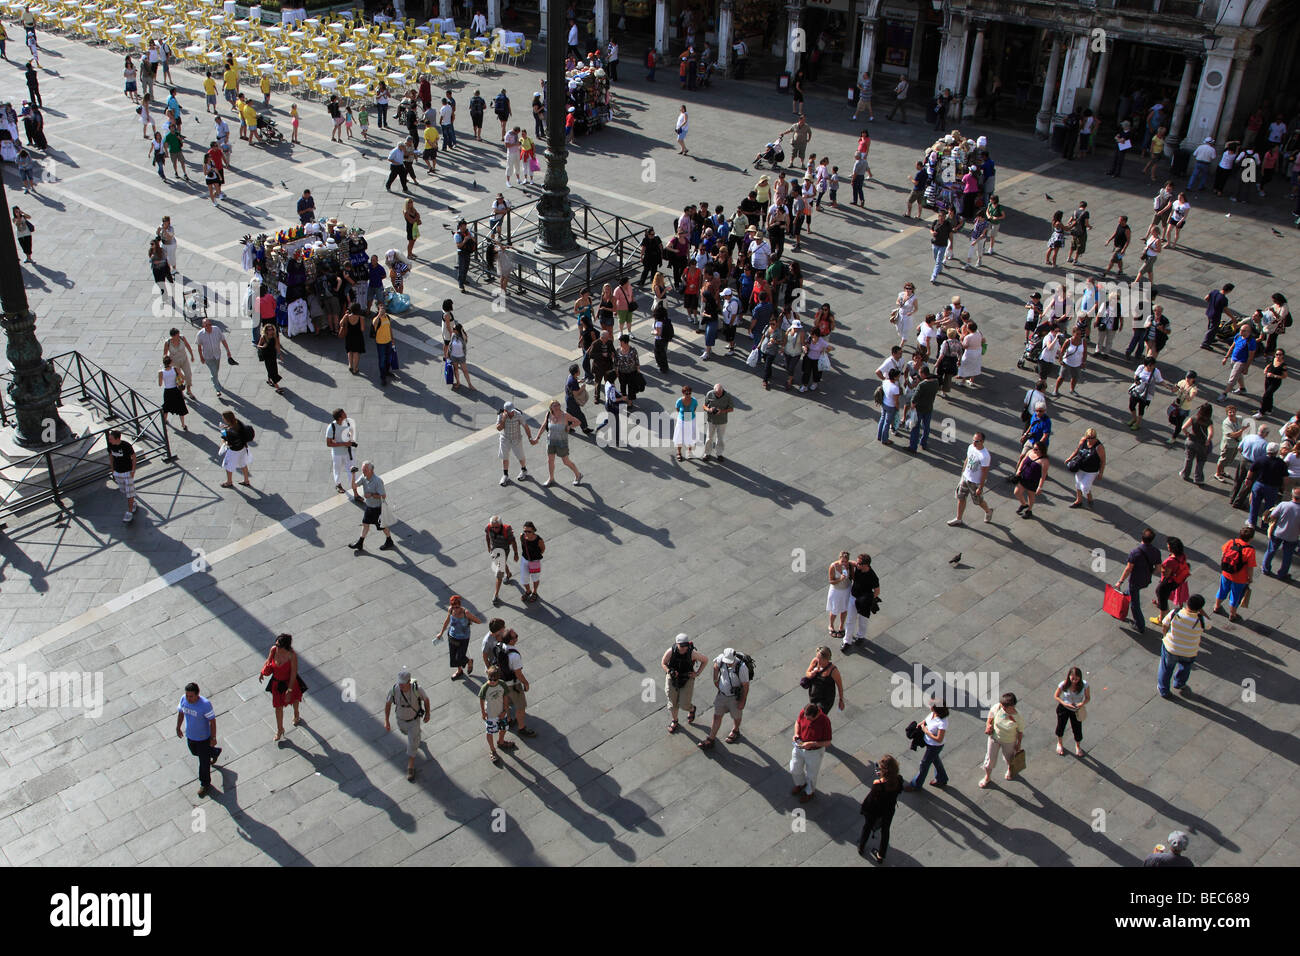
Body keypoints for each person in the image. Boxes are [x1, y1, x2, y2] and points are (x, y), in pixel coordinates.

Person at [176, 682, 222, 797]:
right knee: (194, 752)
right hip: (190, 736)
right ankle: (214, 751)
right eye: (187, 695)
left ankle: (205, 784)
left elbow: (212, 722)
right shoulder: (183, 700)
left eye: (191, 696)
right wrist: (178, 727)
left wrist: (213, 737)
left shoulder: (205, 705)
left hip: (203, 738)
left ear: (197, 694)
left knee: (203, 762)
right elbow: (181, 713)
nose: (188, 698)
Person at [384, 667, 430, 780]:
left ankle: (410, 767)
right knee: (406, 733)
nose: (401, 686)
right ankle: (416, 736)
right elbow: (388, 704)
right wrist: (387, 720)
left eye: (403, 684)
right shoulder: (395, 689)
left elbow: (426, 699)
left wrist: (428, 713)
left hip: (413, 720)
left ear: (409, 682)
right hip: (401, 720)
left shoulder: (417, 689)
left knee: (412, 743)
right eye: (400, 683)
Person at [698, 648, 750, 749]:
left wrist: (742, 701)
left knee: (736, 716)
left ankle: (735, 730)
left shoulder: (742, 667)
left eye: (730, 662)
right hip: (722, 695)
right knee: (717, 716)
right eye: (727, 662)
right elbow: (715, 667)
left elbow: (746, 686)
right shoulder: (721, 659)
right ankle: (711, 739)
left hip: (735, 697)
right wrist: (715, 680)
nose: (728, 664)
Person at [1157, 596, 1208, 699]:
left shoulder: (1175, 613)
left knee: (1166, 669)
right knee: (1185, 667)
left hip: (1171, 648)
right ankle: (1179, 683)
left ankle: (1164, 690)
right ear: (1200, 608)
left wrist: (1165, 636)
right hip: (1189, 651)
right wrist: (1201, 612)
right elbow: (1210, 624)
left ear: (1187, 602)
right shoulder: (1201, 620)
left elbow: (1164, 624)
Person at [258, 634, 304, 742]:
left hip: (289, 683)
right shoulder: (274, 650)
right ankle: (280, 729)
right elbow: (268, 661)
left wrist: (290, 690)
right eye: (276, 644)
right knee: (278, 707)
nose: (276, 646)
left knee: (295, 700)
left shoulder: (292, 656)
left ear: (285, 646)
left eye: (279, 645)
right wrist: (262, 672)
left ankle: (296, 714)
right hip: (277, 684)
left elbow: (293, 674)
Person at [1115, 527, 1161, 634]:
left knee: (1135, 604)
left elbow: (1128, 569)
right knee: (1130, 592)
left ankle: (1140, 625)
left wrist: (1120, 581)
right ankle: (1122, 601)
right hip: (1146, 580)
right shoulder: (1156, 551)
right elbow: (1158, 568)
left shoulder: (1135, 552)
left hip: (1135, 580)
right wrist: (1150, 572)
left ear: (1142, 537)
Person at [857, 755, 903, 863]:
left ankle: (861, 847)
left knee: (867, 828)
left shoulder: (878, 784)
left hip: (875, 811)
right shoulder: (899, 779)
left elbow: (872, 797)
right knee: (885, 831)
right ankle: (881, 855)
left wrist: (879, 778)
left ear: (884, 771)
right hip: (889, 810)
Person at [493, 628, 536, 737]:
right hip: (513, 684)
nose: (517, 636)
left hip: (502, 682)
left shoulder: (499, 646)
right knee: (521, 706)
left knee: (506, 702)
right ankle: (521, 728)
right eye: (515, 636)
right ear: (511, 641)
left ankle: (508, 719)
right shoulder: (514, 655)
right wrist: (526, 683)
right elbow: (518, 674)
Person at [788, 703, 832, 804]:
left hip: (814, 752)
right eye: (806, 717)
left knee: (812, 774)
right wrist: (796, 734)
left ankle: (809, 792)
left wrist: (812, 743)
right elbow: (797, 723)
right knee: (794, 768)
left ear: (816, 715)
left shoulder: (824, 721)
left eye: (810, 719)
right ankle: (801, 783)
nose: (807, 720)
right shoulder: (804, 712)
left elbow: (828, 742)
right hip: (799, 747)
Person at [662, 633, 706, 733]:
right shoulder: (670, 651)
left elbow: (705, 660)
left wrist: (697, 673)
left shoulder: (692, 653)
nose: (683, 648)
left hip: (687, 678)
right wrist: (670, 671)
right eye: (681, 646)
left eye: (685, 645)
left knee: (684, 704)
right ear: (676, 644)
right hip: (672, 678)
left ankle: (691, 709)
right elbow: (663, 663)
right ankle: (675, 721)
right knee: (672, 703)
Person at [948, 432, 994, 526]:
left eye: (977, 441)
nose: (974, 443)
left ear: (982, 441)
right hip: (965, 478)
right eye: (973, 440)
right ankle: (959, 519)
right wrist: (963, 473)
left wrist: (980, 487)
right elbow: (967, 459)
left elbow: (985, 473)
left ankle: (988, 511)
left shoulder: (985, 456)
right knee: (961, 497)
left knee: (978, 502)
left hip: (975, 482)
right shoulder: (971, 447)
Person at [979, 692, 1024, 788]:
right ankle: (987, 777)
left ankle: (1010, 768)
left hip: (1009, 741)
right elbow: (990, 715)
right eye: (1002, 705)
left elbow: (1020, 732)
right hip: (994, 737)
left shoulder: (1018, 717)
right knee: (990, 759)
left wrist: (1018, 744)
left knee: (1009, 758)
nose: (1002, 707)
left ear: (1012, 706)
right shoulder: (998, 707)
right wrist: (988, 725)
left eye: (1004, 706)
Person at [903, 700, 948, 790]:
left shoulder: (942, 723)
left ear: (936, 708)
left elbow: (939, 739)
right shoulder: (933, 713)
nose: (929, 706)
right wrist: (920, 725)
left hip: (934, 746)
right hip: (929, 743)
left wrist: (926, 731)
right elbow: (927, 720)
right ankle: (942, 778)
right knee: (935, 760)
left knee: (924, 764)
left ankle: (916, 785)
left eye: (931, 705)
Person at [437, 594, 482, 680]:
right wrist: (441, 633)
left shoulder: (466, 612)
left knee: (460, 657)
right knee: (453, 657)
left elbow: (478, 621)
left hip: (463, 638)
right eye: (453, 607)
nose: (455, 609)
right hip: (452, 636)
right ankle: (459, 670)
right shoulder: (450, 610)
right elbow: (447, 621)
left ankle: (469, 661)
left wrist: (469, 620)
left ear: (460, 605)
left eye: (457, 607)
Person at [1263, 487, 1300, 579]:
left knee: (1271, 550)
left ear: (1292, 495)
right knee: (1288, 555)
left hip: (1278, 533)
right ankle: (1282, 573)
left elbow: (1272, 516)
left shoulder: (1283, 504)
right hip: (1292, 536)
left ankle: (1265, 569)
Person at [1053, 667, 1089, 758]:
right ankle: (1060, 743)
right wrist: (1065, 704)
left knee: (1077, 730)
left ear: (1080, 678)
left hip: (1076, 710)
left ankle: (1078, 746)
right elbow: (1056, 696)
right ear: (1069, 676)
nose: (1074, 681)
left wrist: (1082, 703)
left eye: (1076, 679)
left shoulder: (1084, 685)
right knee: (1061, 727)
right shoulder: (1064, 684)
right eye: (1072, 678)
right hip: (1064, 708)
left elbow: (1088, 697)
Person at [1127, 356, 1169, 431]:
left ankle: (1138, 423)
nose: (1153, 366)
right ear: (1148, 365)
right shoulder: (1141, 367)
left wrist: (1167, 386)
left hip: (1147, 394)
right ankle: (1134, 418)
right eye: (1152, 365)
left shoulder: (1156, 371)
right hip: (1137, 390)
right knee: (1131, 406)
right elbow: (1136, 375)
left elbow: (1160, 380)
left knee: (1141, 408)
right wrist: (1136, 379)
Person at [1067, 428, 1106, 508]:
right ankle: (1079, 500)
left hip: (1091, 471)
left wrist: (1101, 472)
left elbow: (1103, 461)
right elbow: (1077, 450)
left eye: (1093, 437)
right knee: (1078, 484)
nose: (1091, 439)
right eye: (1089, 437)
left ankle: (1089, 498)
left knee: (1084, 487)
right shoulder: (1083, 440)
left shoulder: (1099, 447)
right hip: (1080, 467)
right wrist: (1070, 458)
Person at [485, 514, 518, 606]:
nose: (495, 529)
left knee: (499, 572)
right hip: (494, 550)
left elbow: (513, 542)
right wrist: (488, 546)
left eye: (497, 527)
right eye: (493, 527)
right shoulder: (488, 527)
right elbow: (487, 536)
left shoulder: (506, 530)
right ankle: (509, 574)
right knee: (500, 563)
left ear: (501, 525)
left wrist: (516, 553)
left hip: (504, 550)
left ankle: (496, 595)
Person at [106, 430, 138, 524]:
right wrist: (112, 469)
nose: (109, 440)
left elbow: (134, 457)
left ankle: (130, 511)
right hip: (117, 472)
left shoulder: (126, 446)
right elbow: (111, 456)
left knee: (129, 492)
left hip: (127, 472)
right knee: (124, 490)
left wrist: (133, 470)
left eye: (111, 439)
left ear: (117, 439)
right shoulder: (110, 445)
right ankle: (133, 503)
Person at [326, 408, 360, 498]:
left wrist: (351, 440)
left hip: (348, 452)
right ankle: (338, 484)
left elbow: (349, 433)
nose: (346, 414)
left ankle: (355, 491)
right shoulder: (331, 427)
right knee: (337, 469)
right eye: (344, 413)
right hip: (337, 453)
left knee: (352, 471)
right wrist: (344, 443)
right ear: (340, 418)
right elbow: (328, 443)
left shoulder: (347, 422)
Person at [496, 401, 531, 486]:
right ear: (505, 410)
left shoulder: (518, 414)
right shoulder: (500, 415)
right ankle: (505, 475)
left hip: (516, 439)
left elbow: (526, 426)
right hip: (505, 439)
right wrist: (503, 420)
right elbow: (498, 428)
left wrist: (530, 438)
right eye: (509, 411)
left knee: (520, 456)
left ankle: (524, 470)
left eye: (512, 410)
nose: (511, 412)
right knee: (505, 457)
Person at [1180, 402, 1215, 484]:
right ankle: (1198, 479)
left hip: (1191, 441)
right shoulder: (1209, 422)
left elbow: (1183, 427)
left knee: (1189, 459)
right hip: (1202, 444)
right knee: (1201, 461)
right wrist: (1208, 441)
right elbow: (1211, 433)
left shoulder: (1194, 418)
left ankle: (1185, 474)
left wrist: (1188, 434)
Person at [1012, 441, 1048, 519]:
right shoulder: (1030, 452)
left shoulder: (1044, 461)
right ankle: (1024, 504)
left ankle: (1029, 510)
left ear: (1041, 450)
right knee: (1017, 492)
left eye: (1036, 449)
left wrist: (1040, 487)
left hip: (1033, 480)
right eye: (1033, 448)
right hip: (1024, 477)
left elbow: (1043, 475)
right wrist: (1018, 470)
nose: (1034, 450)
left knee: (1030, 495)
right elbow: (1023, 460)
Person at [702, 383, 733, 462]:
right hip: (711, 420)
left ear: (722, 390)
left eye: (719, 393)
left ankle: (719, 454)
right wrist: (709, 410)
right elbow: (704, 406)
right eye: (716, 393)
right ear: (714, 391)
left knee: (720, 438)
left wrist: (722, 411)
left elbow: (731, 409)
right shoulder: (709, 394)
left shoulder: (728, 396)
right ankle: (707, 453)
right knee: (709, 438)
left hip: (722, 421)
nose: (718, 395)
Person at [673, 384, 698, 461]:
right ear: (683, 393)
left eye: (689, 393)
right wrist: (682, 415)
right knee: (679, 436)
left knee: (690, 436)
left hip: (690, 419)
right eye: (686, 393)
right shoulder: (679, 401)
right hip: (682, 420)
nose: (688, 395)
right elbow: (677, 408)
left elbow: (694, 409)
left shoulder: (694, 400)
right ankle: (679, 453)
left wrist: (688, 415)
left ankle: (689, 452)